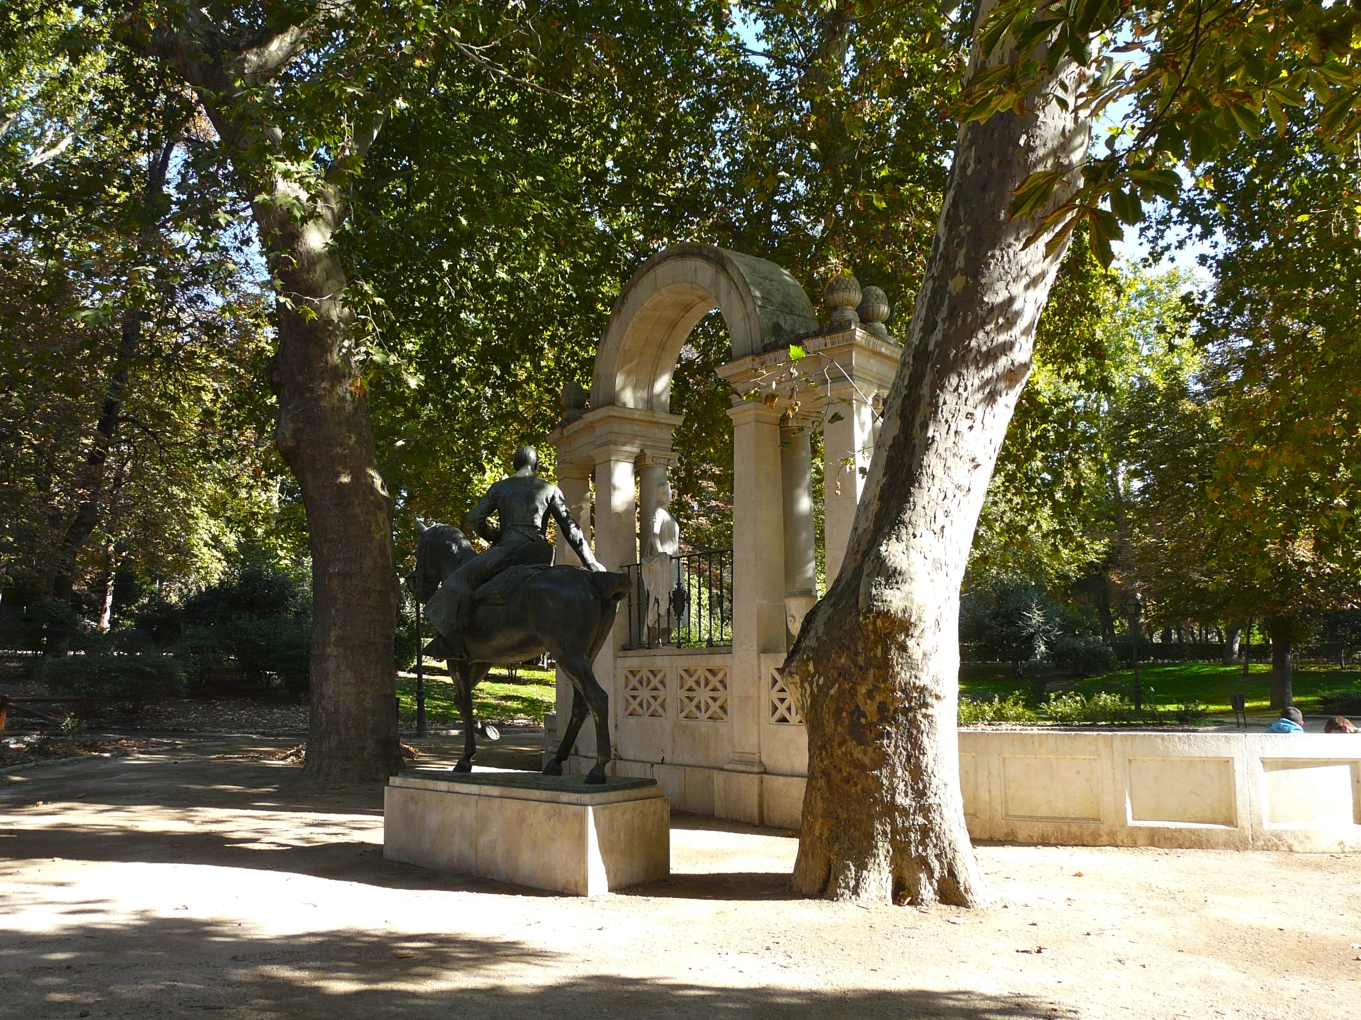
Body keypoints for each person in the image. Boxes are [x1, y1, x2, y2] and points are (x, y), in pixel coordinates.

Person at [424, 446, 604, 646]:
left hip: (508, 549)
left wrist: (493, 536)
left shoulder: (500, 488)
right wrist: (591, 562)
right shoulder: (550, 489)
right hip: (540, 552)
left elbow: (475, 518)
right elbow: (571, 528)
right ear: (536, 465)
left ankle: (453, 643)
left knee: (459, 579)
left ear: (514, 465)